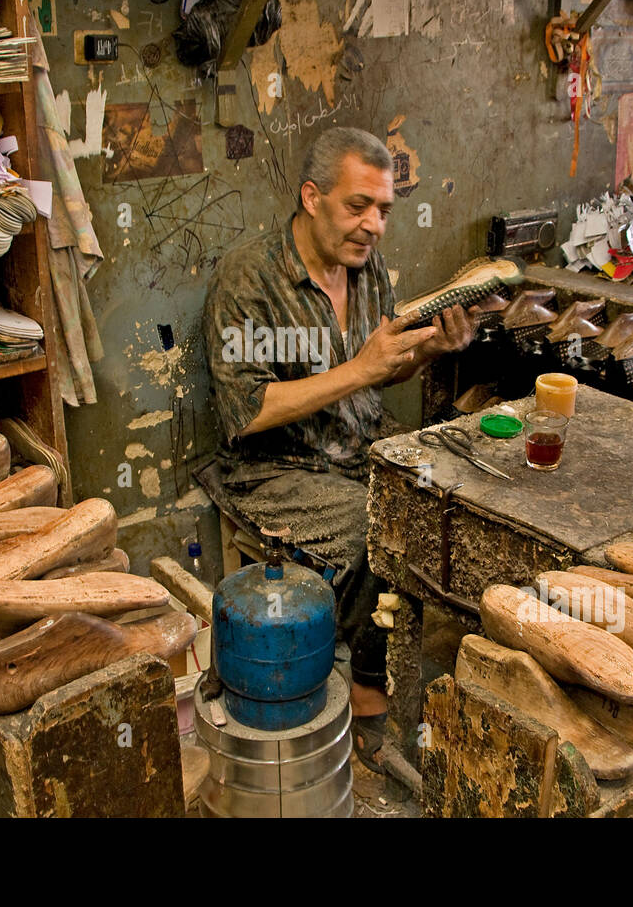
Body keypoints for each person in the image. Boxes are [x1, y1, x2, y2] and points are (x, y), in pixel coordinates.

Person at [203, 127, 487, 772]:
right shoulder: (250, 278)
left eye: (383, 210)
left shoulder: (369, 274)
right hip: (274, 466)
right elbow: (246, 412)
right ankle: (365, 692)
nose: (373, 225)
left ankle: (441, 661)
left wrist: (427, 352)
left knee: (457, 494)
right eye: (357, 206)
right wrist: (360, 369)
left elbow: (381, 373)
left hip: (361, 442)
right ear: (311, 197)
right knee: (380, 531)